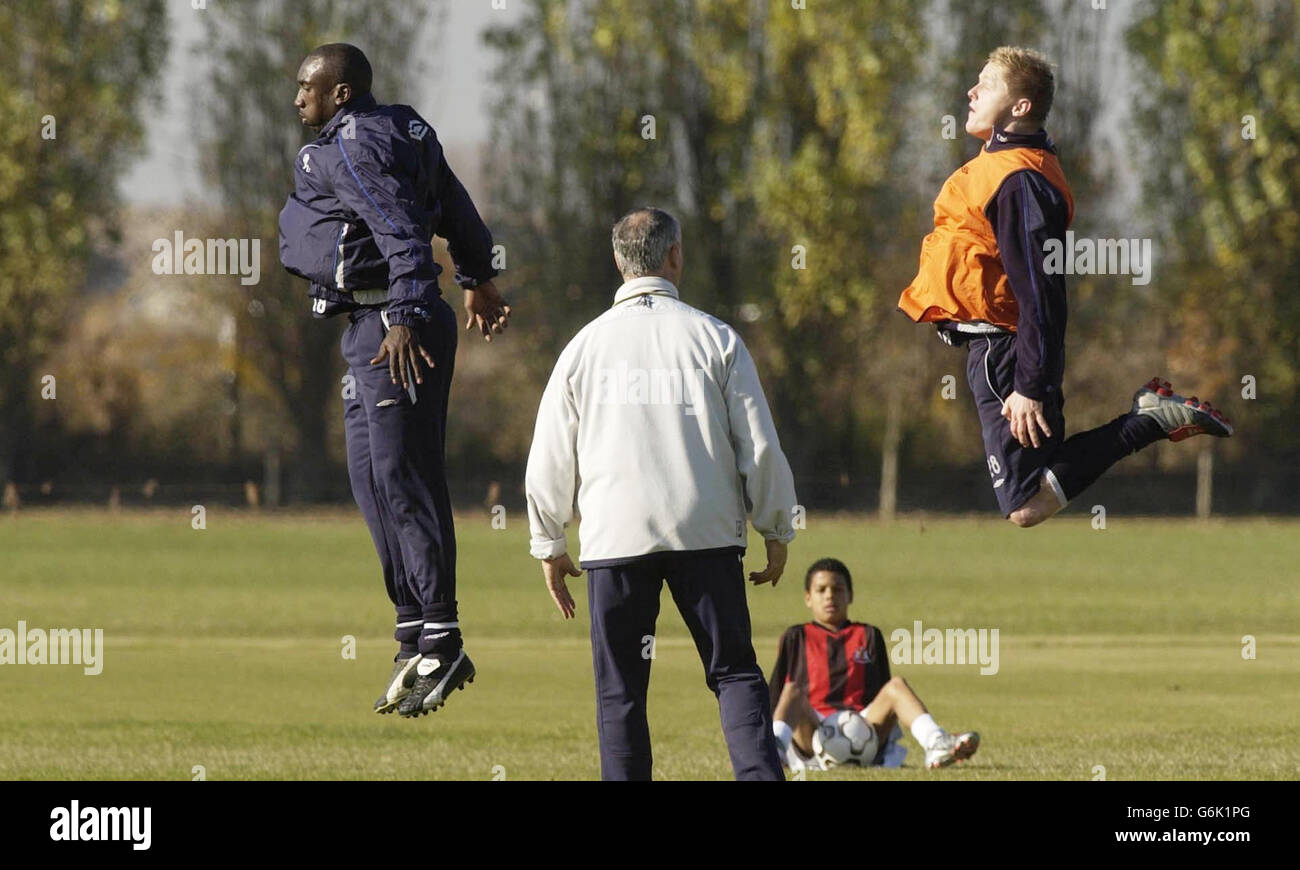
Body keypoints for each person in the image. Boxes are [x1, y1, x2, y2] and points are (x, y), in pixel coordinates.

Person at [898, 46, 1233, 527]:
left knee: (1024, 506)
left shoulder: (1019, 181)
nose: (971, 92)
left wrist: (1030, 385)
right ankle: (1147, 417)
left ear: (1020, 107)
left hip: (1006, 356)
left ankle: (1148, 420)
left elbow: (1040, 291)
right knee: (1028, 500)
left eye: (986, 84)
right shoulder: (1004, 163)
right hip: (1001, 351)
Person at [278, 43, 511, 718]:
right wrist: (477, 274)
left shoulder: (351, 142)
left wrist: (407, 311)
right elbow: (453, 203)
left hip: (393, 325)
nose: (298, 98)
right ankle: (414, 628)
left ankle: (442, 633)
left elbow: (402, 226)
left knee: (404, 477)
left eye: (307, 87)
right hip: (370, 327)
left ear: (340, 93)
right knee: (373, 478)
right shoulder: (401, 128)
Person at [525, 207, 796, 781]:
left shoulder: (583, 347)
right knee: (734, 674)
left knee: (620, 690)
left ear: (618, 262)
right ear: (675, 256)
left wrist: (548, 542)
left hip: (615, 539)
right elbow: (760, 445)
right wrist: (776, 526)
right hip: (707, 534)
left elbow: (549, 453)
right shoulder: (715, 337)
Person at [769, 558, 979, 771]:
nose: (830, 595)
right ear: (808, 598)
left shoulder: (868, 634)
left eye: (838, 589)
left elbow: (883, 698)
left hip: (863, 727)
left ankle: (936, 741)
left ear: (850, 595)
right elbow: (775, 698)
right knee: (792, 689)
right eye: (821, 590)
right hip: (812, 731)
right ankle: (771, 751)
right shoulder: (795, 636)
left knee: (896, 686)